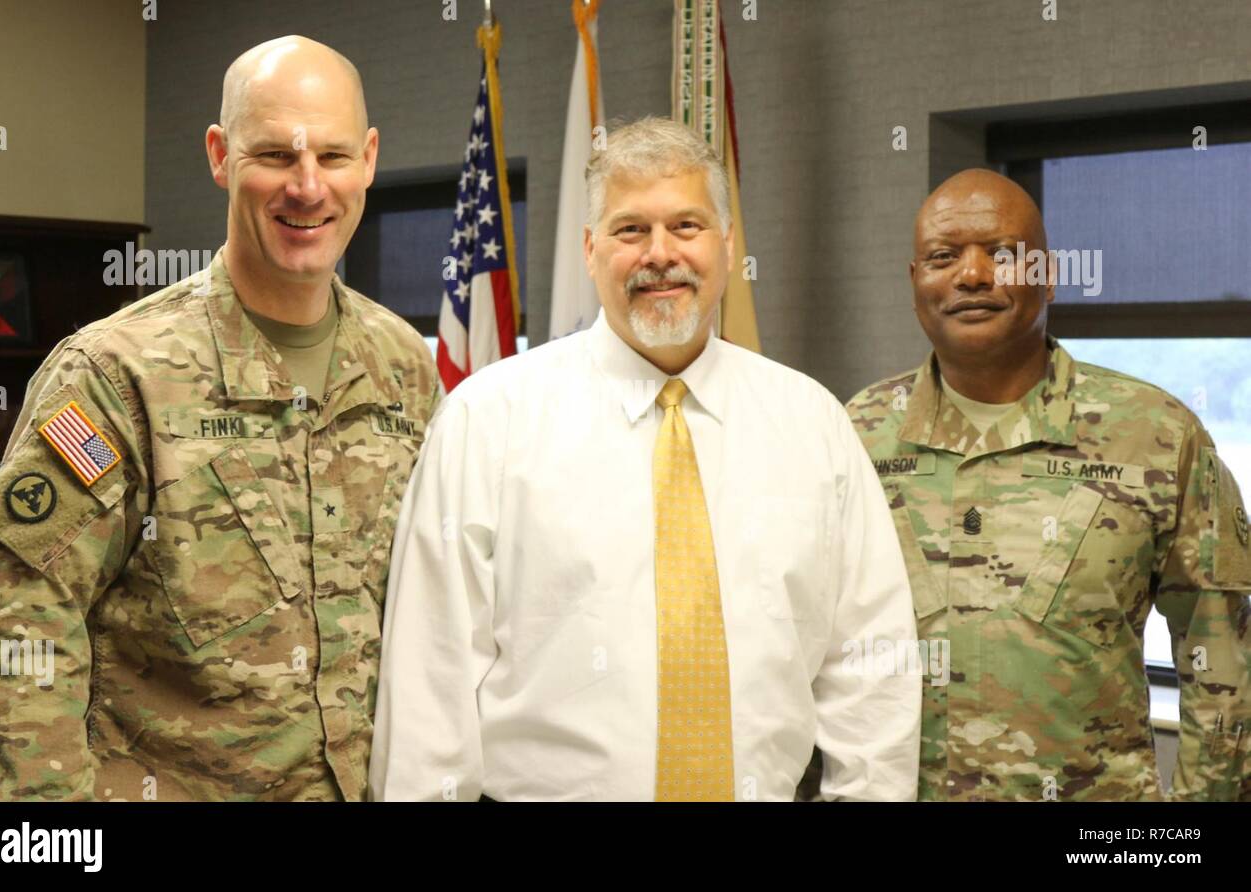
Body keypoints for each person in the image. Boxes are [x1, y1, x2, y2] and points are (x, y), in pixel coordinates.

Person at [369, 117, 919, 802]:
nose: (661, 254)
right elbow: (431, 678)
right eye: (631, 230)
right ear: (591, 248)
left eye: (686, 226)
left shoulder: (813, 426)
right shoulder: (488, 422)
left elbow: (871, 666)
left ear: (726, 242)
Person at [0, 36, 438, 801]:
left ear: (370, 159)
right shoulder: (116, 374)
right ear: (219, 155)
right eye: (275, 155)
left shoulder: (403, 365)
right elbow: (15, 634)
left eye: (335, 157)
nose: (308, 188)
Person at [845, 168, 1251, 801]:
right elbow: (812, 643)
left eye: (1004, 255)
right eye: (943, 257)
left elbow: (1220, 651)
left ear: (1048, 275)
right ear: (916, 281)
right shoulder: (854, 435)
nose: (973, 275)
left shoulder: (1157, 435)